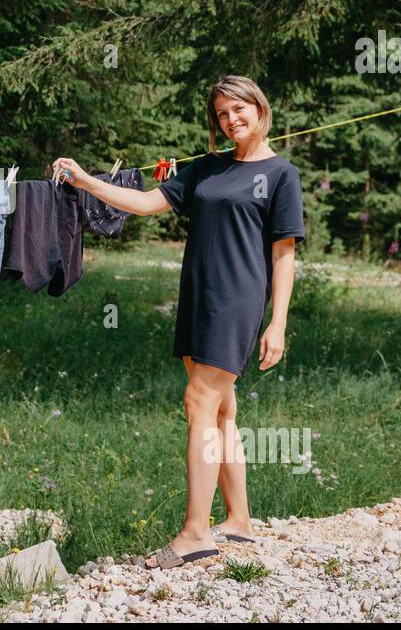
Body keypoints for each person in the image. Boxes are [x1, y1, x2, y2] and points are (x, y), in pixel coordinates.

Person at [51, 75, 306, 570]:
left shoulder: (281, 175)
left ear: (259, 108)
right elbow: (146, 203)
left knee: (198, 402)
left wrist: (278, 323)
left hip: (238, 298)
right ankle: (239, 520)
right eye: (221, 114)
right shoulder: (207, 169)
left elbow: (284, 253)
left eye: (239, 110)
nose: (231, 120)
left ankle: (194, 534)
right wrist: (86, 181)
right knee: (223, 410)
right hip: (198, 296)